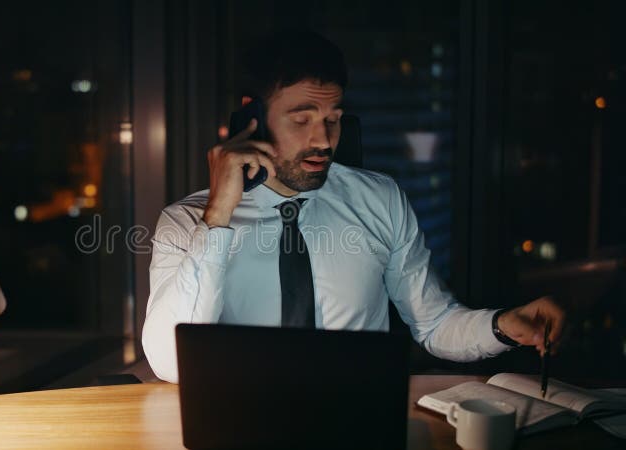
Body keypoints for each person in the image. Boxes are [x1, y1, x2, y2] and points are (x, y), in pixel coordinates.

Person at [141, 30, 565, 383]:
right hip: (239, 423)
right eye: (302, 119)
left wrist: (504, 326)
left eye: (333, 118)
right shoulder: (185, 221)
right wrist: (217, 219)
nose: (325, 140)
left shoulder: (381, 201)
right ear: (254, 121)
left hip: (358, 422)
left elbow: (434, 325)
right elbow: (170, 362)